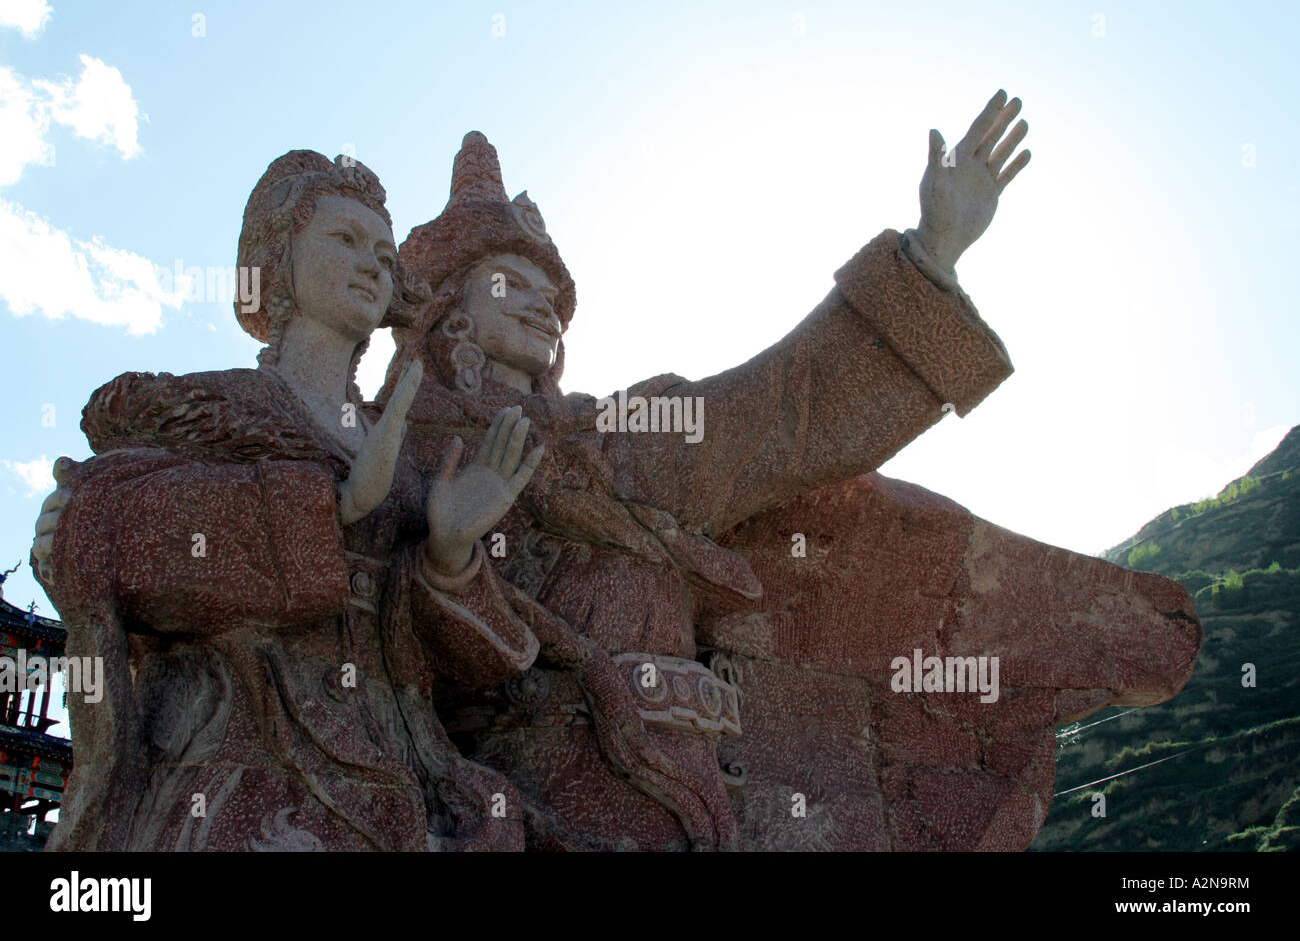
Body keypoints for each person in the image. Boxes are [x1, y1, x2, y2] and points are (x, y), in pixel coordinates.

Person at [376, 96, 1197, 850]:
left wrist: (932, 252)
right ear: (448, 309)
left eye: (552, 292)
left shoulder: (625, 432)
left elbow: (781, 406)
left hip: (694, 783)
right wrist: (449, 558)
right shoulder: (393, 449)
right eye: (508, 283)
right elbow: (375, 638)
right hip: (526, 790)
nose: (541, 305)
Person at [31, 151, 544, 851]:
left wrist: (449, 558)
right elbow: (97, 534)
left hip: (398, 772)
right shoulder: (201, 407)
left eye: (385, 254)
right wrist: (325, 509)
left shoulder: (402, 455)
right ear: (278, 260)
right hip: (247, 763)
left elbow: (467, 664)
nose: (372, 264)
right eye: (344, 240)